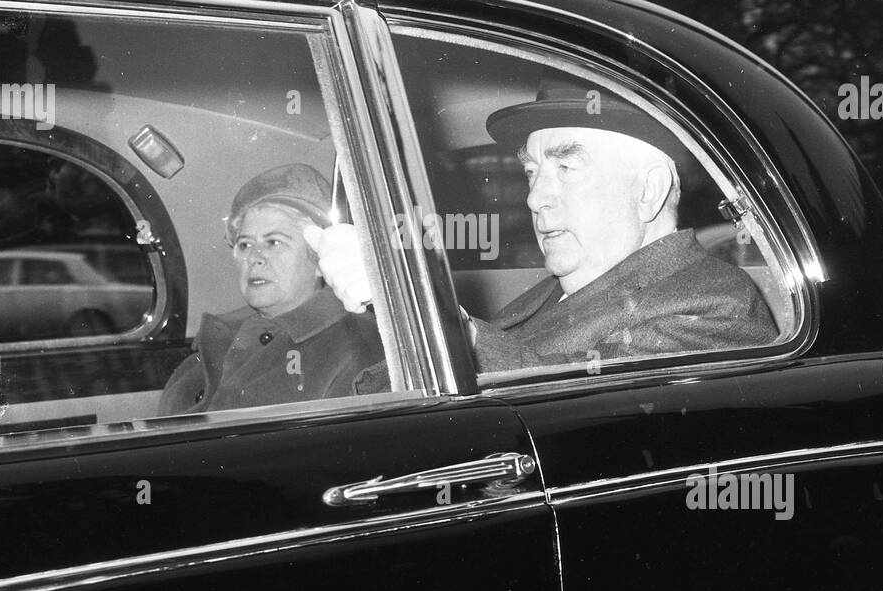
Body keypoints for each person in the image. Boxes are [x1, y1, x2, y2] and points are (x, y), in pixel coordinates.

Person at [309, 75, 778, 372]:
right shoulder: (556, 291)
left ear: (649, 190)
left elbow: (586, 425)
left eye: (566, 169)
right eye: (531, 171)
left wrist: (416, 302)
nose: (534, 197)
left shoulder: (715, 306)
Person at [158, 163, 385, 415]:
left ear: (320, 259)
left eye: (274, 242)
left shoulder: (355, 348)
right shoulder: (212, 343)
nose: (254, 257)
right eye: (244, 244)